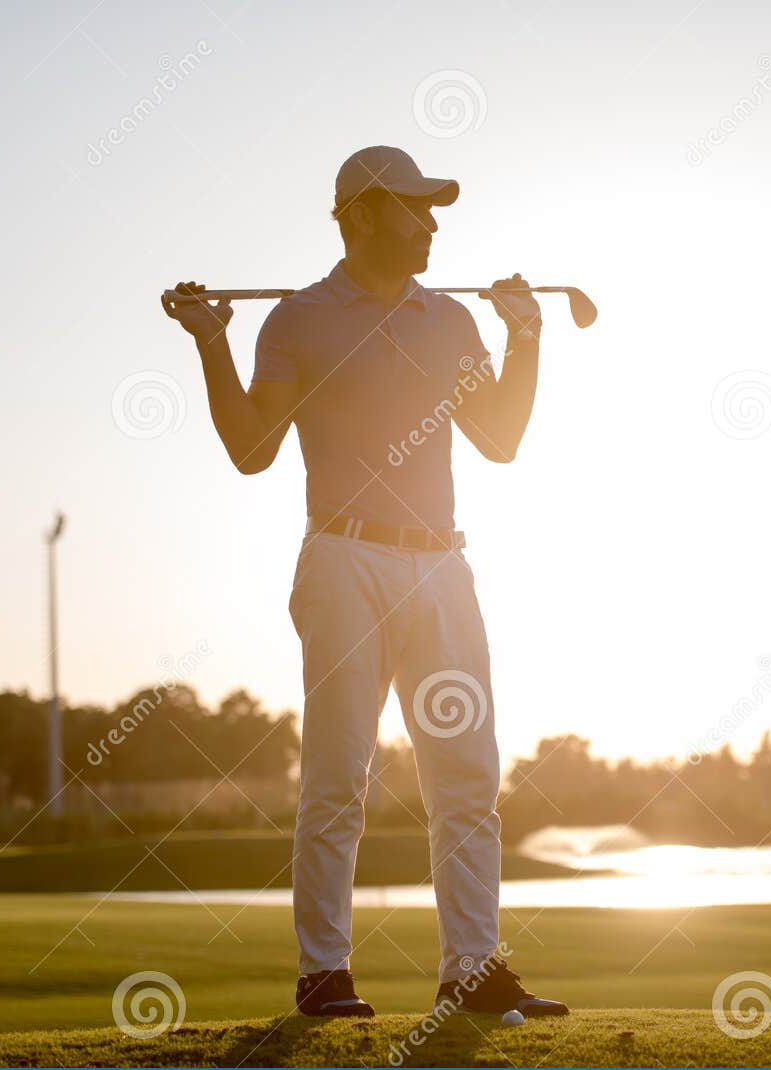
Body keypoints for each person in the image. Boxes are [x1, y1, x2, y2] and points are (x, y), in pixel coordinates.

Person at [164, 145, 568, 1020]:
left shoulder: (449, 322)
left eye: (433, 210)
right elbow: (250, 449)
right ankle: (324, 974)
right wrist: (211, 345)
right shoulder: (298, 321)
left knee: (466, 775)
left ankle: (471, 971)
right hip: (344, 559)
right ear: (360, 214)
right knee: (339, 776)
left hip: (443, 563)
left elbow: (500, 439)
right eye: (413, 208)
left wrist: (524, 335)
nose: (431, 224)